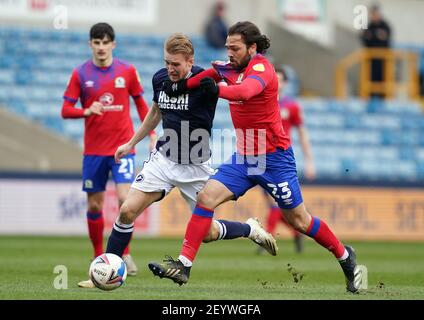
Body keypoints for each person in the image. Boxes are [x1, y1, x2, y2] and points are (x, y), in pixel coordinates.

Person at [155, 21, 362, 293]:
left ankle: (345, 256)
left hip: (274, 157)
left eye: (235, 48)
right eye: (227, 47)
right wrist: (180, 86)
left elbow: (245, 92)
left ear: (252, 48)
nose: (229, 52)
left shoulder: (262, 68)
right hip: (245, 154)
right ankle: (183, 266)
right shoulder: (227, 68)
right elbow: (198, 80)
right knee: (206, 198)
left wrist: (216, 89)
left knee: (299, 220)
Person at [104, 33, 278, 283]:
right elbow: (156, 111)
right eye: (167, 62)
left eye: (175, 64)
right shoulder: (160, 78)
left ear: (190, 61)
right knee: (126, 211)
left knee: (207, 233)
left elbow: (237, 78)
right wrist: (131, 142)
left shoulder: (204, 82)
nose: (170, 69)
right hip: (163, 160)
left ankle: (250, 229)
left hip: (196, 166)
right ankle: (109, 270)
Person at [61, 22, 156, 287]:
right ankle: (97, 257)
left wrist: (150, 133)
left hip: (122, 148)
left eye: (105, 42)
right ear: (90, 44)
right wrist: (86, 111)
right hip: (93, 151)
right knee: (95, 206)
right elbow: (65, 110)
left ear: (113, 44)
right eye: (96, 42)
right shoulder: (80, 74)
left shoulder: (127, 71)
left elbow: (140, 102)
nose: (101, 47)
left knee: (127, 201)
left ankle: (123, 253)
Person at [259, 66, 316, 254]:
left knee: (278, 204)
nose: (277, 82)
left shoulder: (291, 106)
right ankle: (296, 233)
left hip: (281, 160)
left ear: (284, 83)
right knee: (276, 205)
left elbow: (302, 133)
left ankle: (267, 238)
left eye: (280, 79)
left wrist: (309, 161)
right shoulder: (261, 101)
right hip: (260, 157)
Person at [360, 4, 392, 98]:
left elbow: (386, 40)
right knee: (370, 81)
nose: (375, 16)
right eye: (373, 14)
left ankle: (384, 100)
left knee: (383, 81)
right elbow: (365, 40)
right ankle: (371, 100)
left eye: (376, 13)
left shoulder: (385, 25)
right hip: (371, 60)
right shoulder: (369, 26)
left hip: (383, 60)